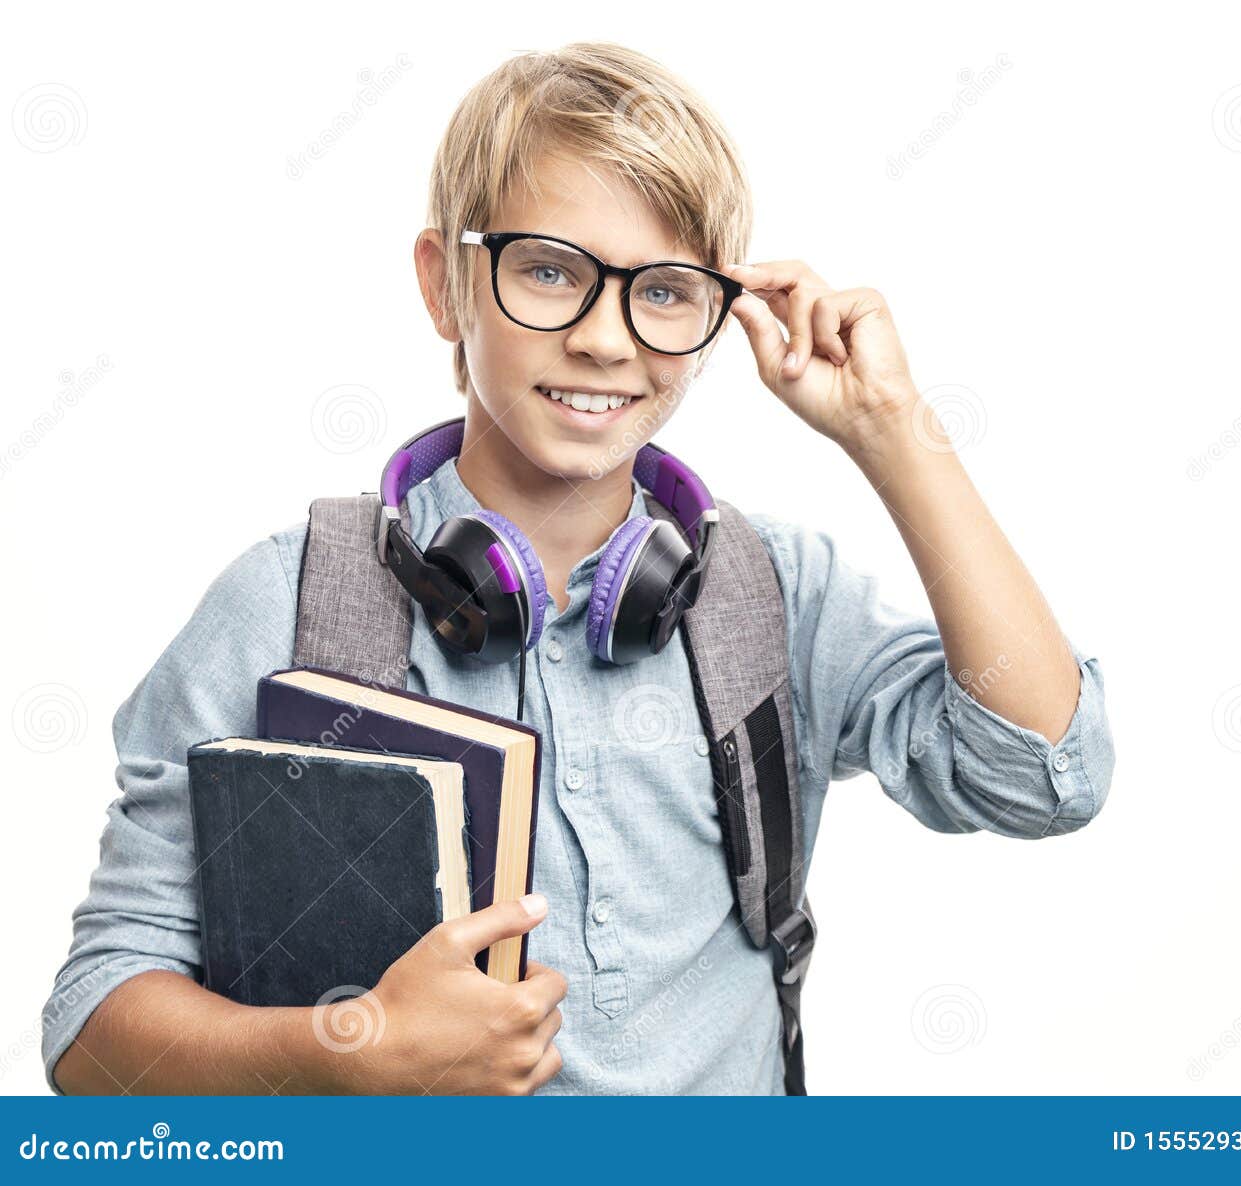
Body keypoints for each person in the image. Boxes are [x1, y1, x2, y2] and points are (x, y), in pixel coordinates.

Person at [44, 42, 1115, 1095]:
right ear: (444, 286)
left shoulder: (770, 594)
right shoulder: (281, 605)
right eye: (550, 271)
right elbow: (93, 1030)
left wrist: (894, 432)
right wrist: (352, 1053)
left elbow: (1040, 774)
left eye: (661, 290)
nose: (607, 339)